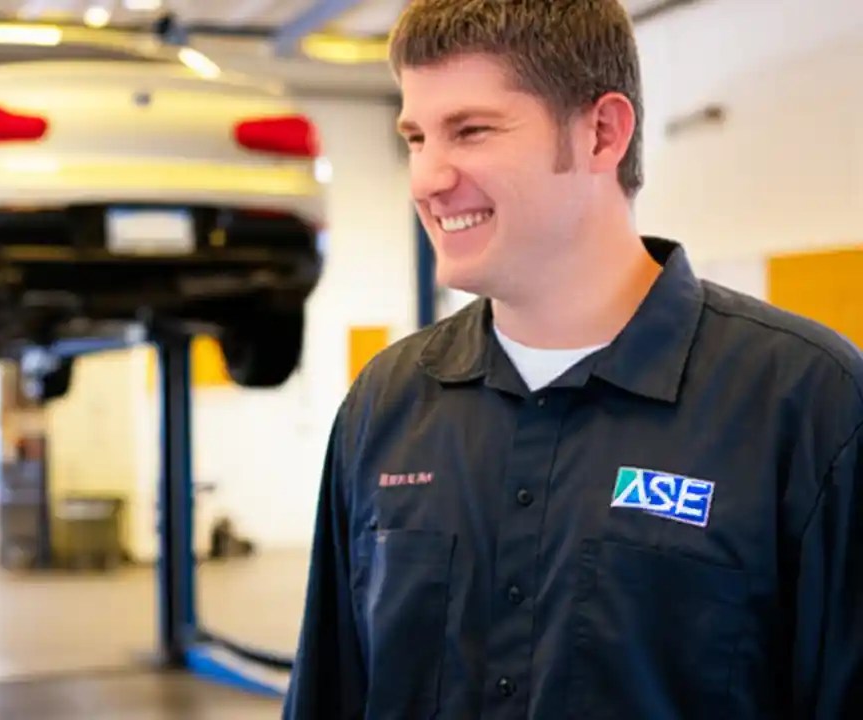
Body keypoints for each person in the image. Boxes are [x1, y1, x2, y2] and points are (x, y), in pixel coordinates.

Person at [283, 1, 862, 718]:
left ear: (601, 132)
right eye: (416, 138)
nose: (427, 179)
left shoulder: (805, 405)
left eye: (471, 131)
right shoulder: (387, 403)